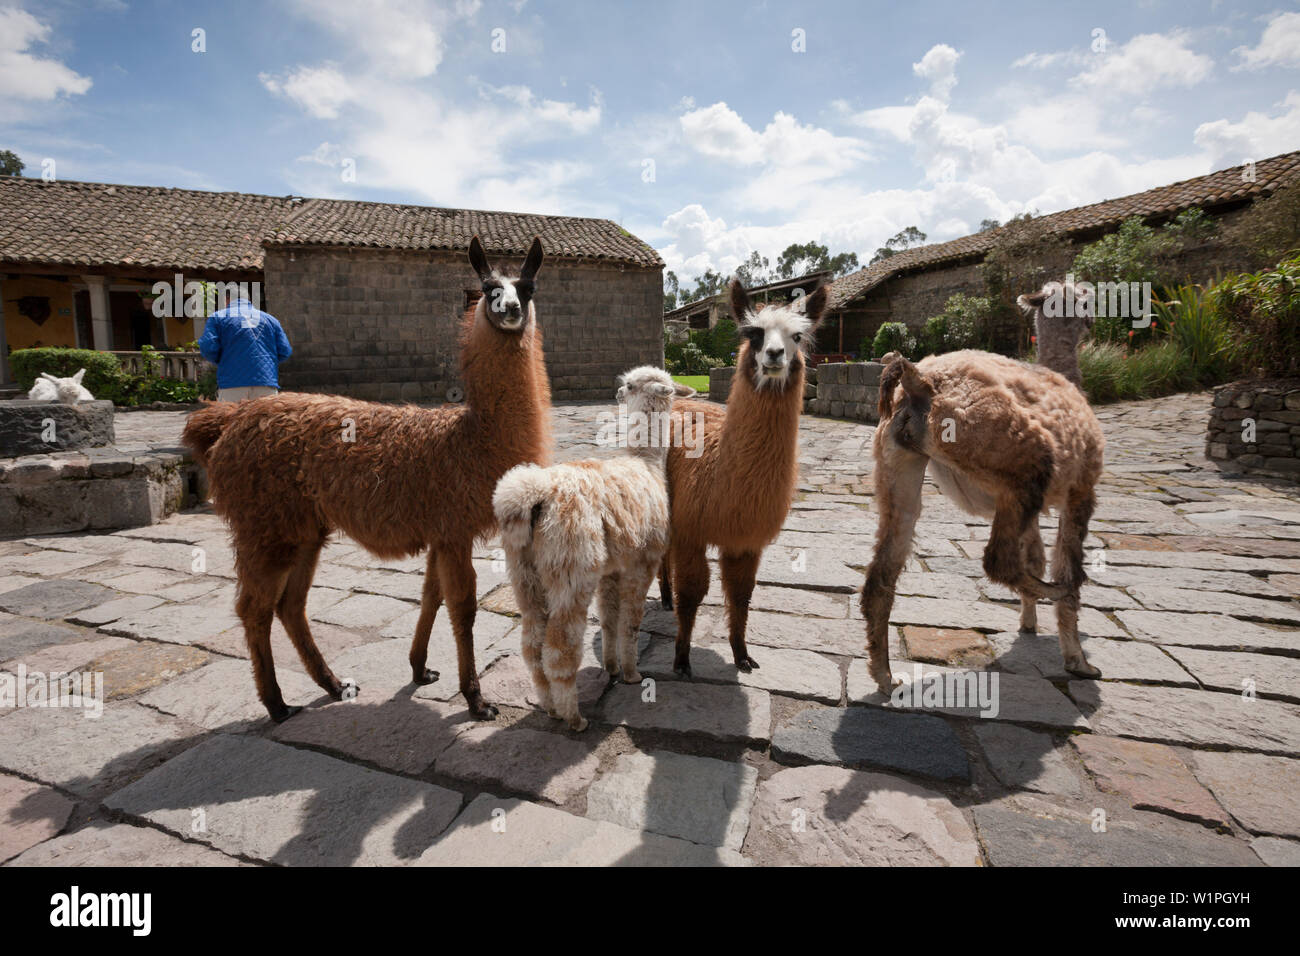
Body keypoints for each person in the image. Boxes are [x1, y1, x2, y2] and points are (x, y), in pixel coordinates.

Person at [198, 293, 292, 401]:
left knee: (231, 417)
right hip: (266, 382)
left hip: (232, 382)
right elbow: (285, 350)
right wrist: (268, 362)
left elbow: (207, 347)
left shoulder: (217, 317)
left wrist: (223, 361)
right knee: (264, 418)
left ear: (227, 299)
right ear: (248, 300)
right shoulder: (271, 320)